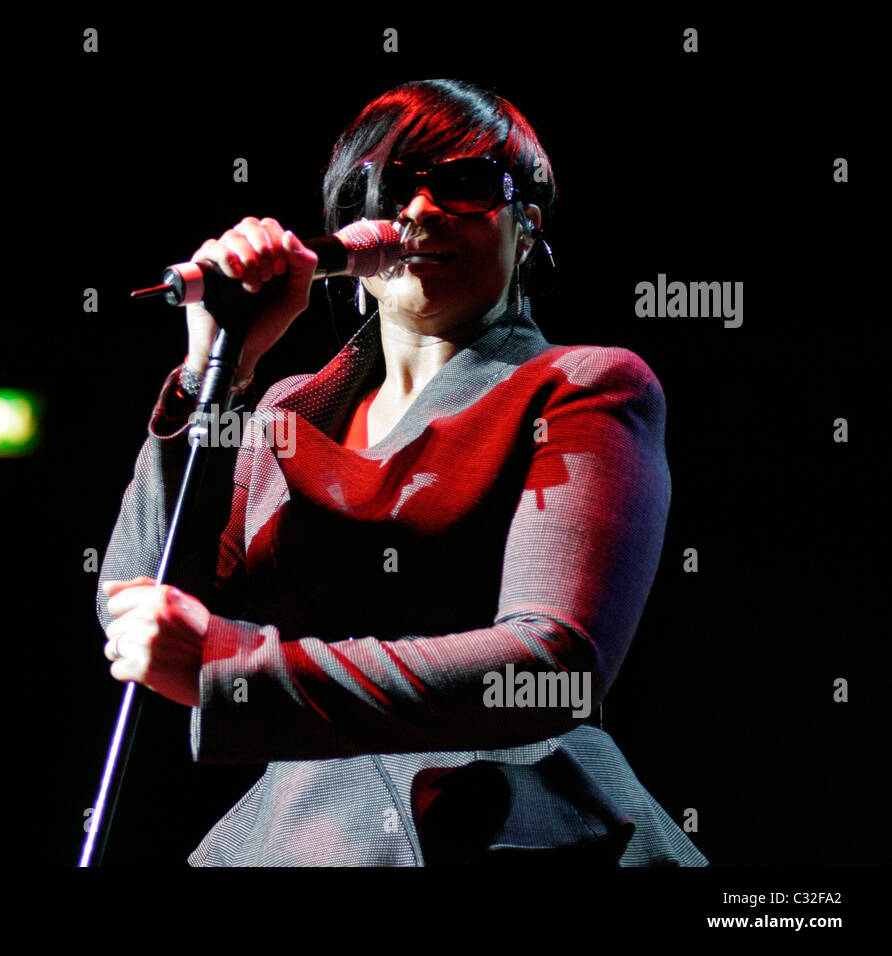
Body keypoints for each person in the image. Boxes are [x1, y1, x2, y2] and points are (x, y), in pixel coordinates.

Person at [95, 78, 707, 866]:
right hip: (303, 834)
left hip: (498, 825)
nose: (418, 211)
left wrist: (236, 665)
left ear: (527, 230)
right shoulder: (285, 413)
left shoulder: (585, 385)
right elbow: (141, 598)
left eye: (464, 183)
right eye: (386, 189)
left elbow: (552, 664)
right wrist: (215, 368)